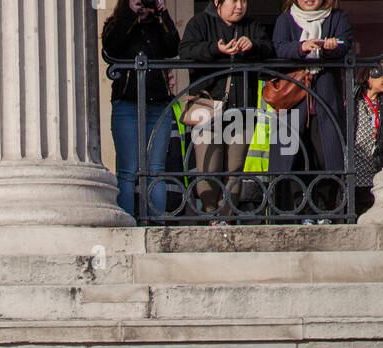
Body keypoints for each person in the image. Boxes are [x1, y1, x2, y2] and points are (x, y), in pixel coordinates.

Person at [179, 0, 274, 223]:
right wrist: (215, 49)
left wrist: (253, 46)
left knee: (235, 167)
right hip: (208, 106)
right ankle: (211, 211)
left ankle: (225, 218)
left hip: (242, 109)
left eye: (243, 1)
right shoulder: (200, 22)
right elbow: (186, 51)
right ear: (217, 3)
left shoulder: (253, 26)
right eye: (233, 1)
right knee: (207, 167)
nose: (239, 6)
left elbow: (270, 49)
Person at [269, 0, 354, 222]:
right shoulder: (286, 19)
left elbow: (346, 44)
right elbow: (277, 47)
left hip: (325, 101)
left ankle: (325, 211)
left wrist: (332, 47)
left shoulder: (336, 17)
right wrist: (301, 47)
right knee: (294, 157)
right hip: (293, 101)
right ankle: (302, 211)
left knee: (326, 156)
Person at [102, 0, 180, 222]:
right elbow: (111, 46)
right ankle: (127, 222)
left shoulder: (158, 24)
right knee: (128, 171)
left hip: (158, 103)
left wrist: (163, 14)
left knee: (156, 169)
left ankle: (157, 222)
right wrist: (130, 14)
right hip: (127, 102)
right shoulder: (117, 23)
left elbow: (173, 45)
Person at [354, 67, 383, 217]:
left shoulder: (381, 104)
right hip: (356, 170)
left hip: (375, 170)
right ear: (367, 78)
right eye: (379, 74)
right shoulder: (355, 101)